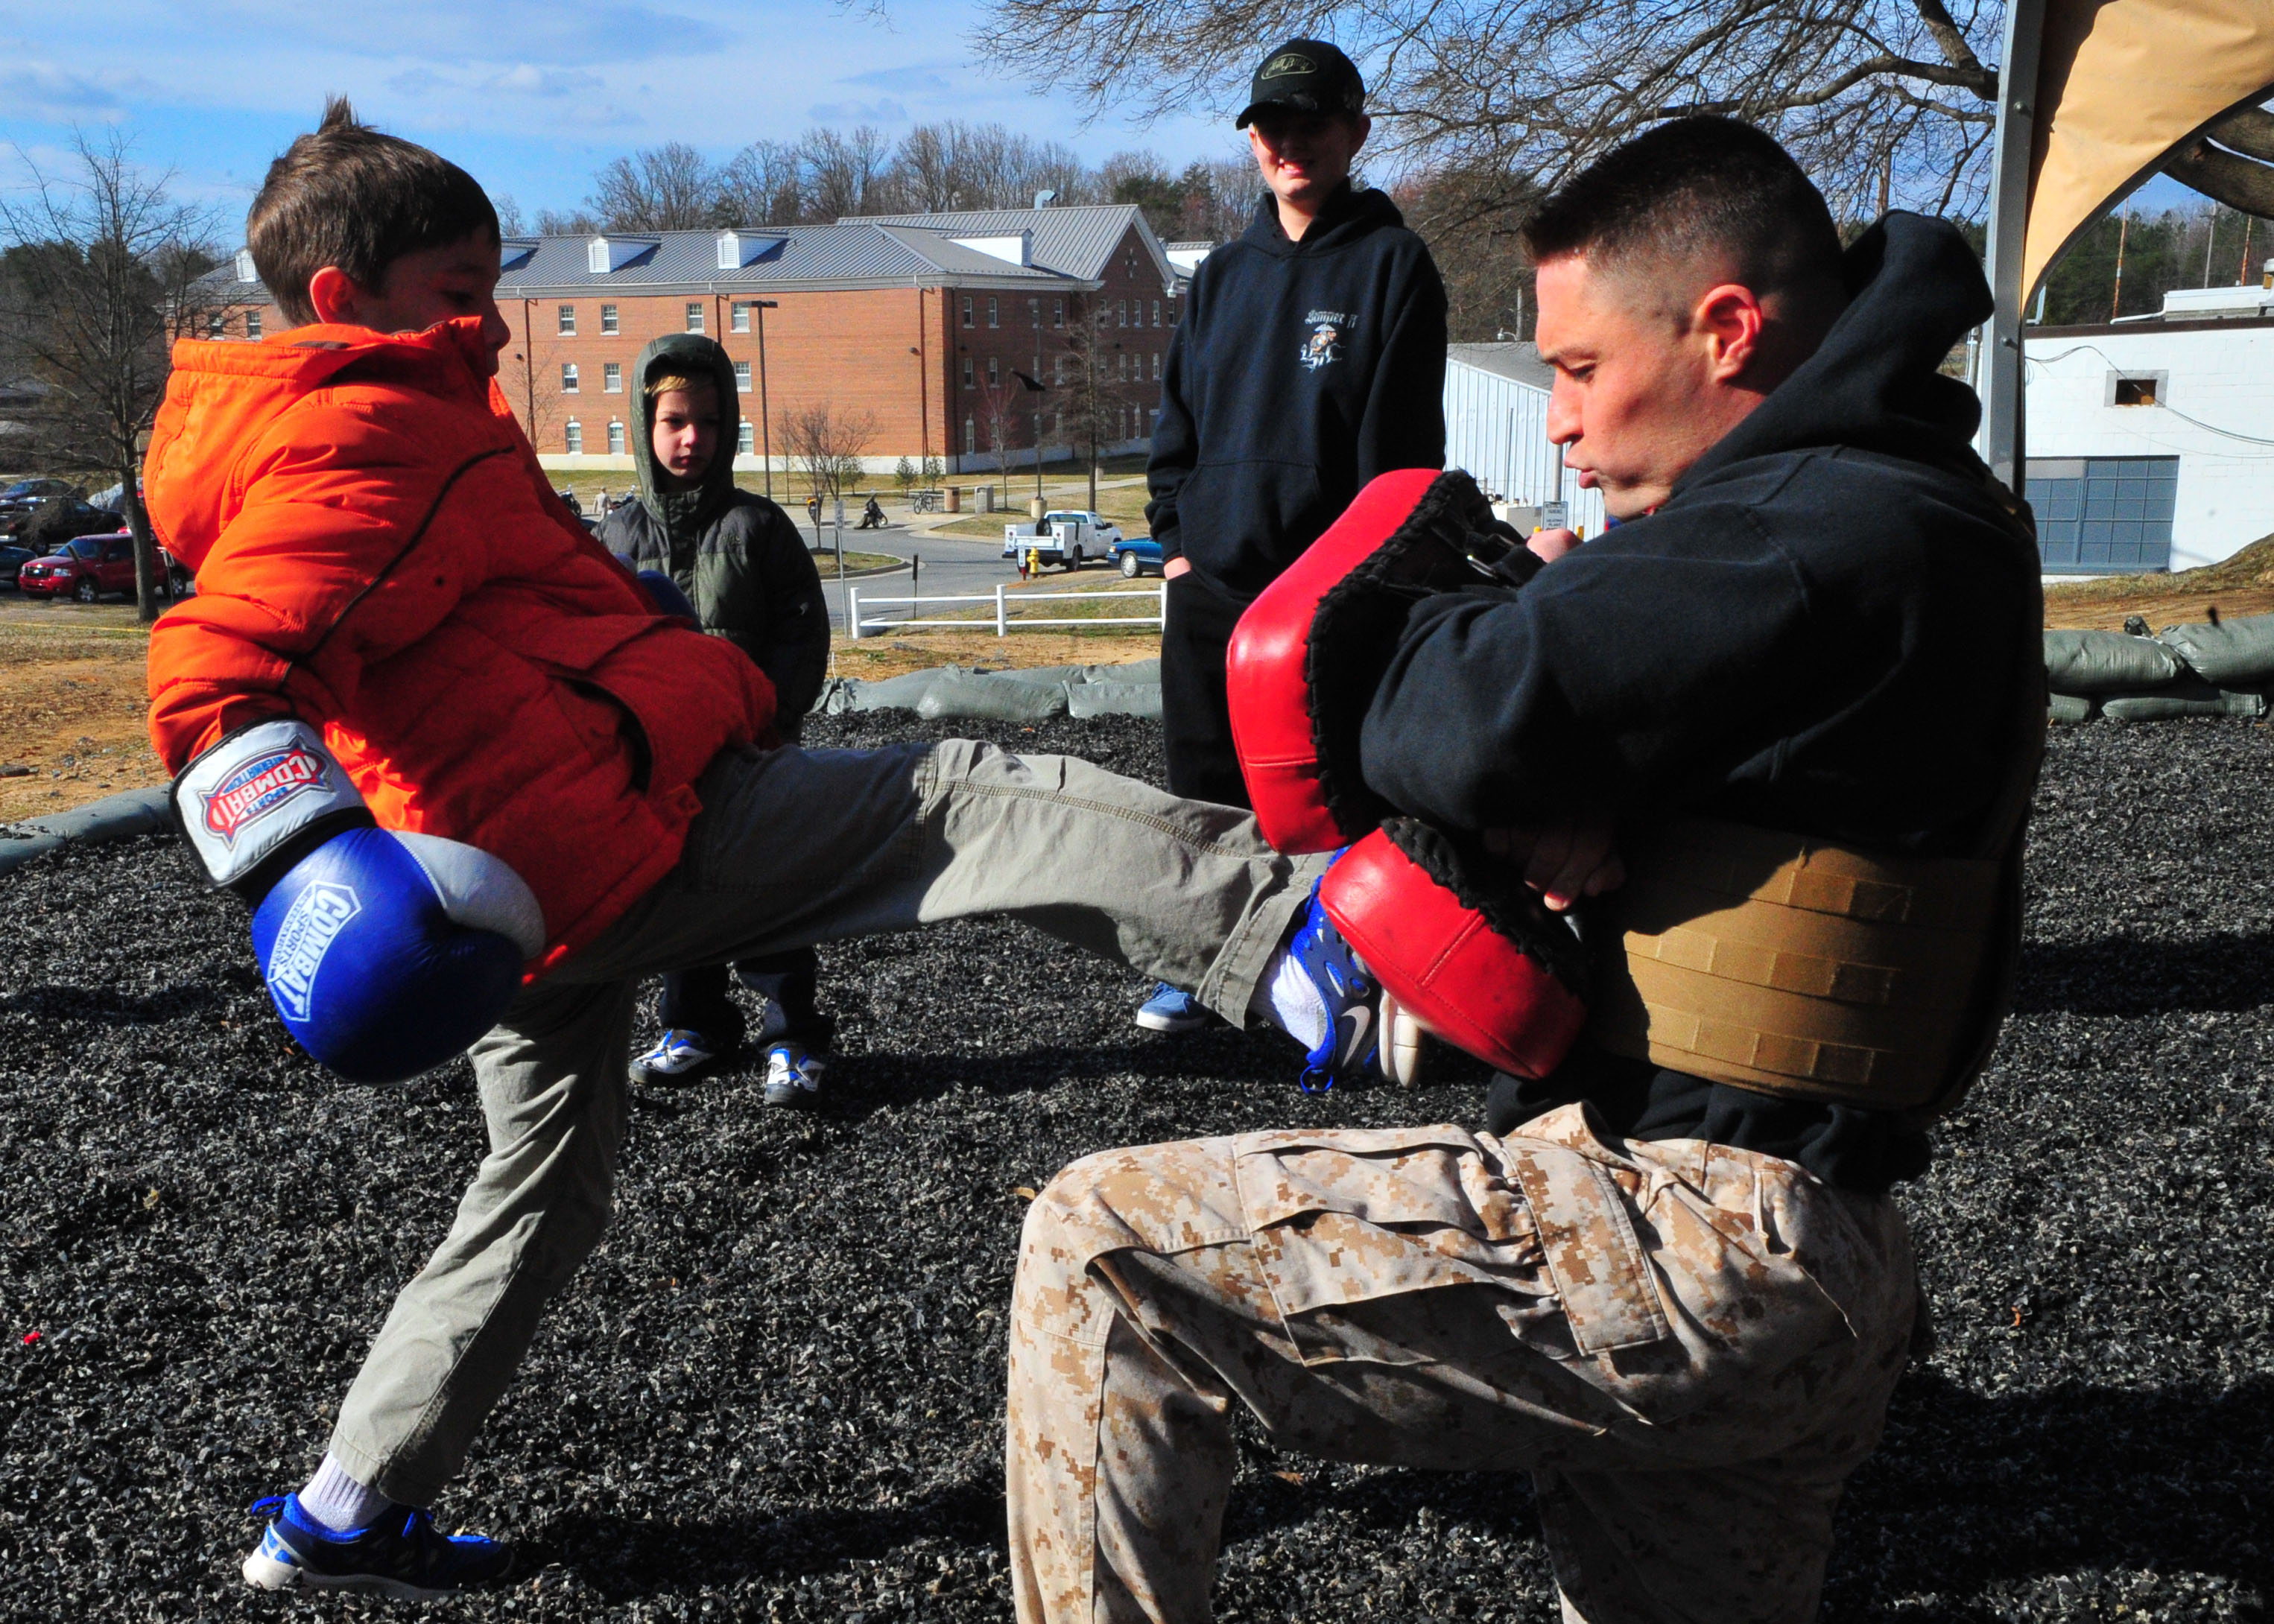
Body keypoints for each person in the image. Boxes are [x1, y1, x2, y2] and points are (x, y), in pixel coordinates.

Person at [145, 100, 1396, 1600]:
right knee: (954, 794)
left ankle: (342, 1511)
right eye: (456, 298)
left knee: (536, 1193)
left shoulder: (325, 414)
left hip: (503, 890)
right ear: (343, 302)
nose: (487, 328)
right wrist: (305, 868)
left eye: (494, 288)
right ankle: (1309, 948)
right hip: (599, 831)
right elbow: (213, 669)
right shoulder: (366, 425)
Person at [1005, 117, 2044, 1624]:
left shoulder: (1822, 526)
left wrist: (1457, 632)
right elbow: (1565, 729)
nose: (1557, 420)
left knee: (1100, 1251)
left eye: (1575, 369)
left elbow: (1461, 708)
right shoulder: (1904, 514)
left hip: (1694, 1243)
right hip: (1810, 1257)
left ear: (1727, 330)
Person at [1136, 37, 1448, 1036]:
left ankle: (1335, 970)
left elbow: (1401, 457)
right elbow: (1175, 426)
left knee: (1329, 783)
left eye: (1312, 122)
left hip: (1326, 587)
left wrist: (1362, 573)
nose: (1290, 142)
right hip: (1211, 580)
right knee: (1205, 782)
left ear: (1355, 130)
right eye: (1272, 126)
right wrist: (1176, 541)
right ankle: (1203, 960)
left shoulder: (1394, 266)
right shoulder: (1221, 276)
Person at [601, 335, 837, 1104]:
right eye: (673, 421)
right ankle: (694, 1022)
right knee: (681, 889)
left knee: (766, 887)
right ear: (644, 428)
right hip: (665, 760)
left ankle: (792, 1033)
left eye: (706, 420)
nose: (690, 437)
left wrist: (770, 713)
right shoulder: (620, 537)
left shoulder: (760, 528)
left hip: (755, 749)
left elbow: (802, 633)